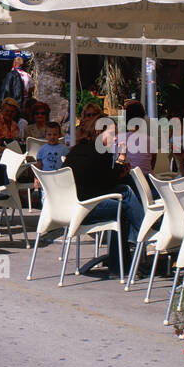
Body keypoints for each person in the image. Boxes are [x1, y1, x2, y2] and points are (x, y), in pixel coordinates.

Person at [62, 103, 144, 277]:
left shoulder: (79, 149)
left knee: (124, 192)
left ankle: (135, 244)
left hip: (67, 206)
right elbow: (107, 183)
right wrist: (121, 161)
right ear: (99, 133)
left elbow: (101, 180)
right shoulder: (101, 153)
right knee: (123, 203)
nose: (116, 139)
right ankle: (143, 234)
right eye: (112, 134)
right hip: (84, 208)